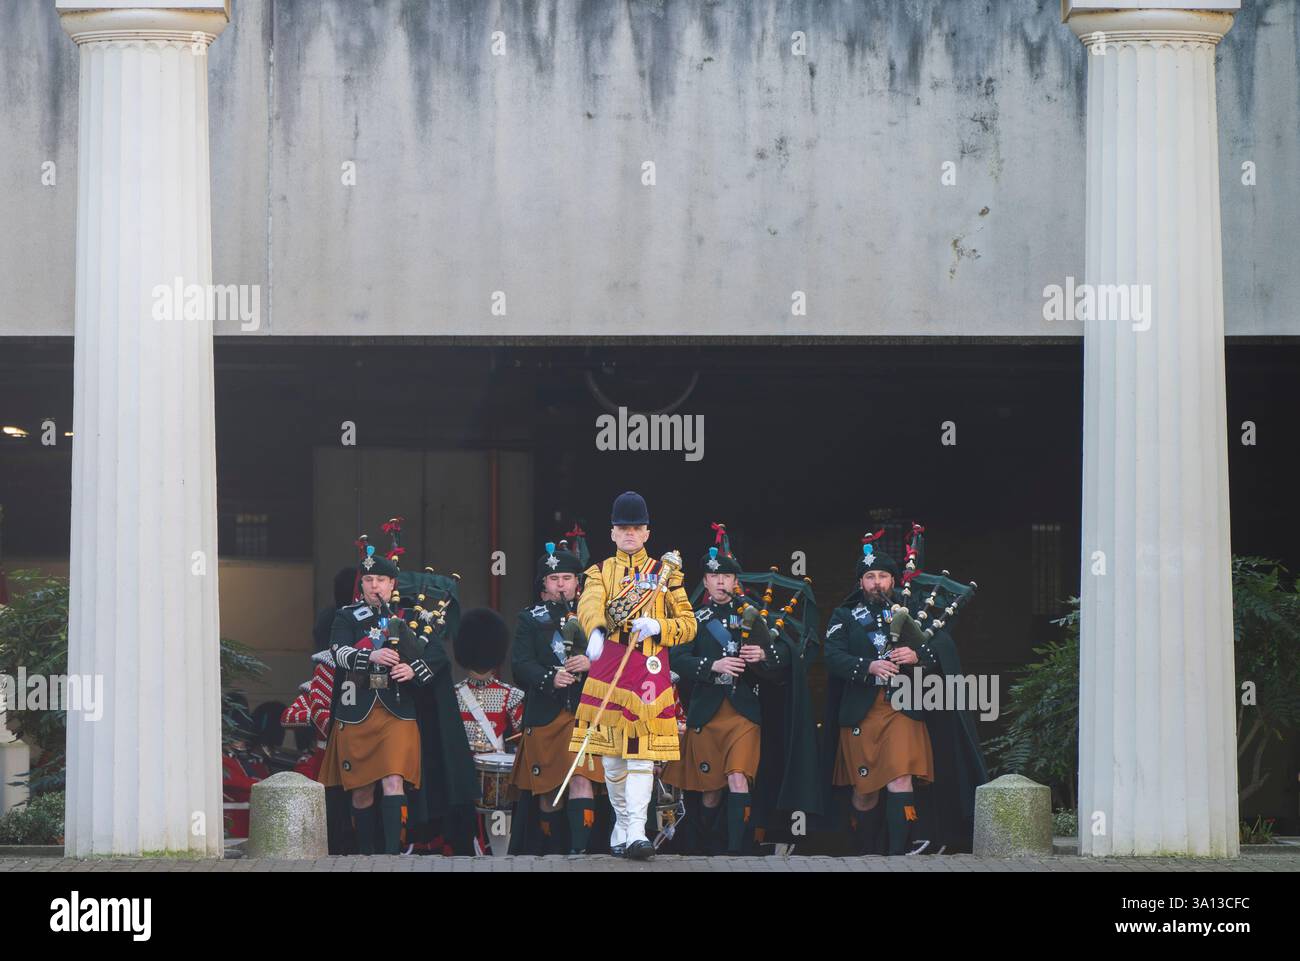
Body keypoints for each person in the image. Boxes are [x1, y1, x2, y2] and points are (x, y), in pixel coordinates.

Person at [821, 534, 986, 855]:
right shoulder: (844, 616)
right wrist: (868, 667)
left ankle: (900, 855)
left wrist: (918, 655)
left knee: (901, 777)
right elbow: (831, 655)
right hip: (860, 710)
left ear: (893, 580)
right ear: (861, 582)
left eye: (883, 576)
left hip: (904, 706)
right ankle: (863, 852)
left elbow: (941, 647)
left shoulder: (911, 610)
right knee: (865, 790)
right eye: (870, 577)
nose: (877, 582)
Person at [663, 523, 821, 854]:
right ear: (705, 581)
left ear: (736, 582)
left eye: (727, 577)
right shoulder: (692, 618)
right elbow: (675, 659)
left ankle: (736, 853)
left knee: (738, 778)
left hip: (745, 713)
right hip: (706, 713)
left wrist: (763, 654)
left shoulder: (753, 616)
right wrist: (712, 666)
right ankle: (708, 847)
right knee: (710, 791)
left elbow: (782, 660)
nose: (721, 582)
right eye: (714, 577)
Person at [568, 491, 697, 859]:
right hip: (609, 667)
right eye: (623, 528)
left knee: (641, 756)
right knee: (612, 758)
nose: (629, 534)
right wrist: (593, 631)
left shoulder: (666, 574)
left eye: (636, 528)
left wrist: (658, 624)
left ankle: (638, 830)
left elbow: (688, 625)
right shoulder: (600, 571)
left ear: (646, 533)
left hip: (648, 669)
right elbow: (590, 602)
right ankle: (623, 825)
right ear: (612, 533)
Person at [320, 542, 438, 855]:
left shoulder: (412, 616)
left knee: (393, 780)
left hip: (397, 710)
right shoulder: (347, 616)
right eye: (369, 581)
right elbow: (338, 652)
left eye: (381, 581)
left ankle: (392, 856)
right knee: (361, 790)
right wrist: (371, 655)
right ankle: (365, 855)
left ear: (392, 584)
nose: (375, 586)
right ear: (361, 584)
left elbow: (438, 656)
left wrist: (414, 670)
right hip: (357, 708)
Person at [508, 534, 609, 855]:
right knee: (549, 794)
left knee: (582, 781)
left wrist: (592, 664)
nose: (561, 585)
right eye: (554, 579)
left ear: (578, 584)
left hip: (586, 713)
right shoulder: (528, 618)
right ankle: (551, 855)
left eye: (567, 578)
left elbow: (620, 662)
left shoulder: (596, 617)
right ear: (544, 584)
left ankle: (580, 856)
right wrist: (552, 676)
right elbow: (520, 665)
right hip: (545, 715)